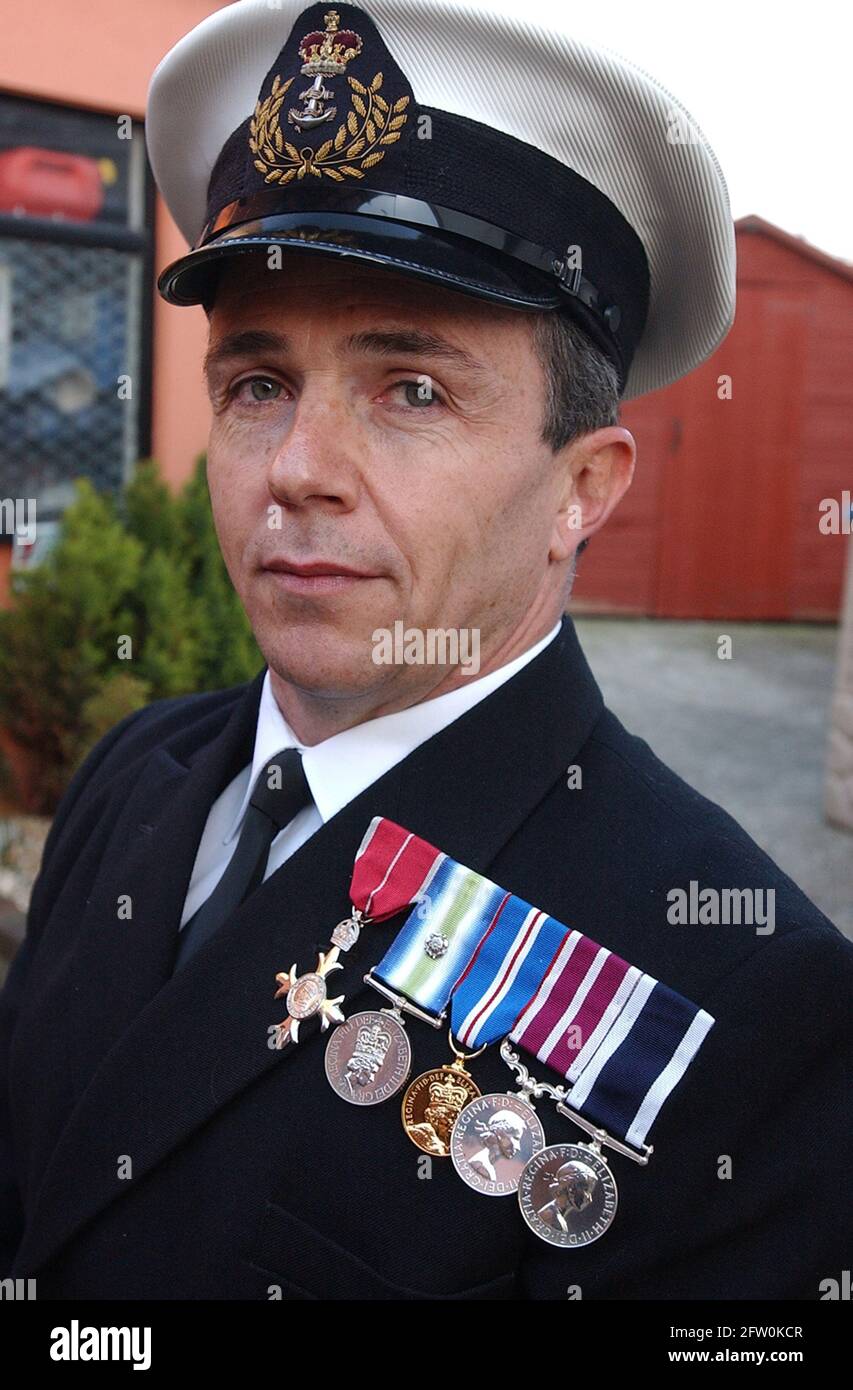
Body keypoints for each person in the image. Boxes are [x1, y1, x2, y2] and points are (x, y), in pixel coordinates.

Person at [0, 0, 850, 1300]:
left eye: (411, 389)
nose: (296, 472)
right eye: (257, 384)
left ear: (582, 485)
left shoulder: (752, 1007)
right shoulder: (135, 774)